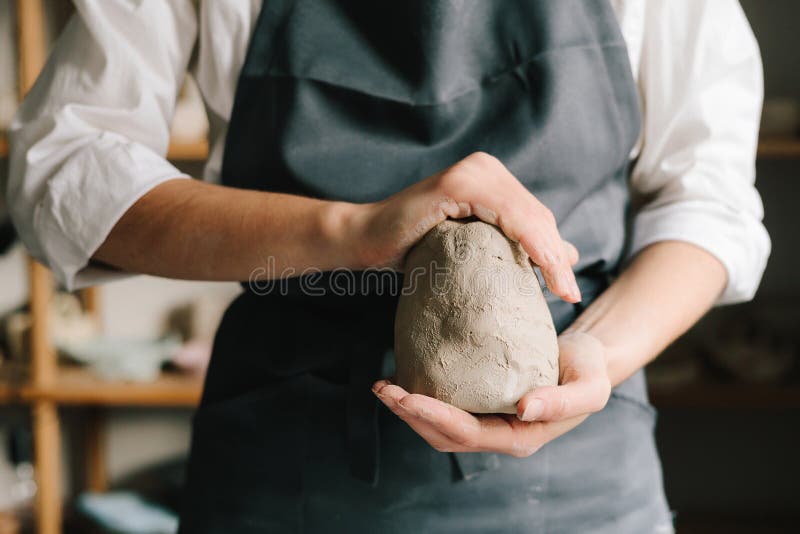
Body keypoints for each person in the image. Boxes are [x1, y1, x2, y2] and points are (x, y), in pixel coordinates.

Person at [5, 0, 769, 532]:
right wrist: (353, 230)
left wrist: (601, 349)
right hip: (288, 460)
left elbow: (711, 201)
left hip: (576, 465)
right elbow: (58, 176)